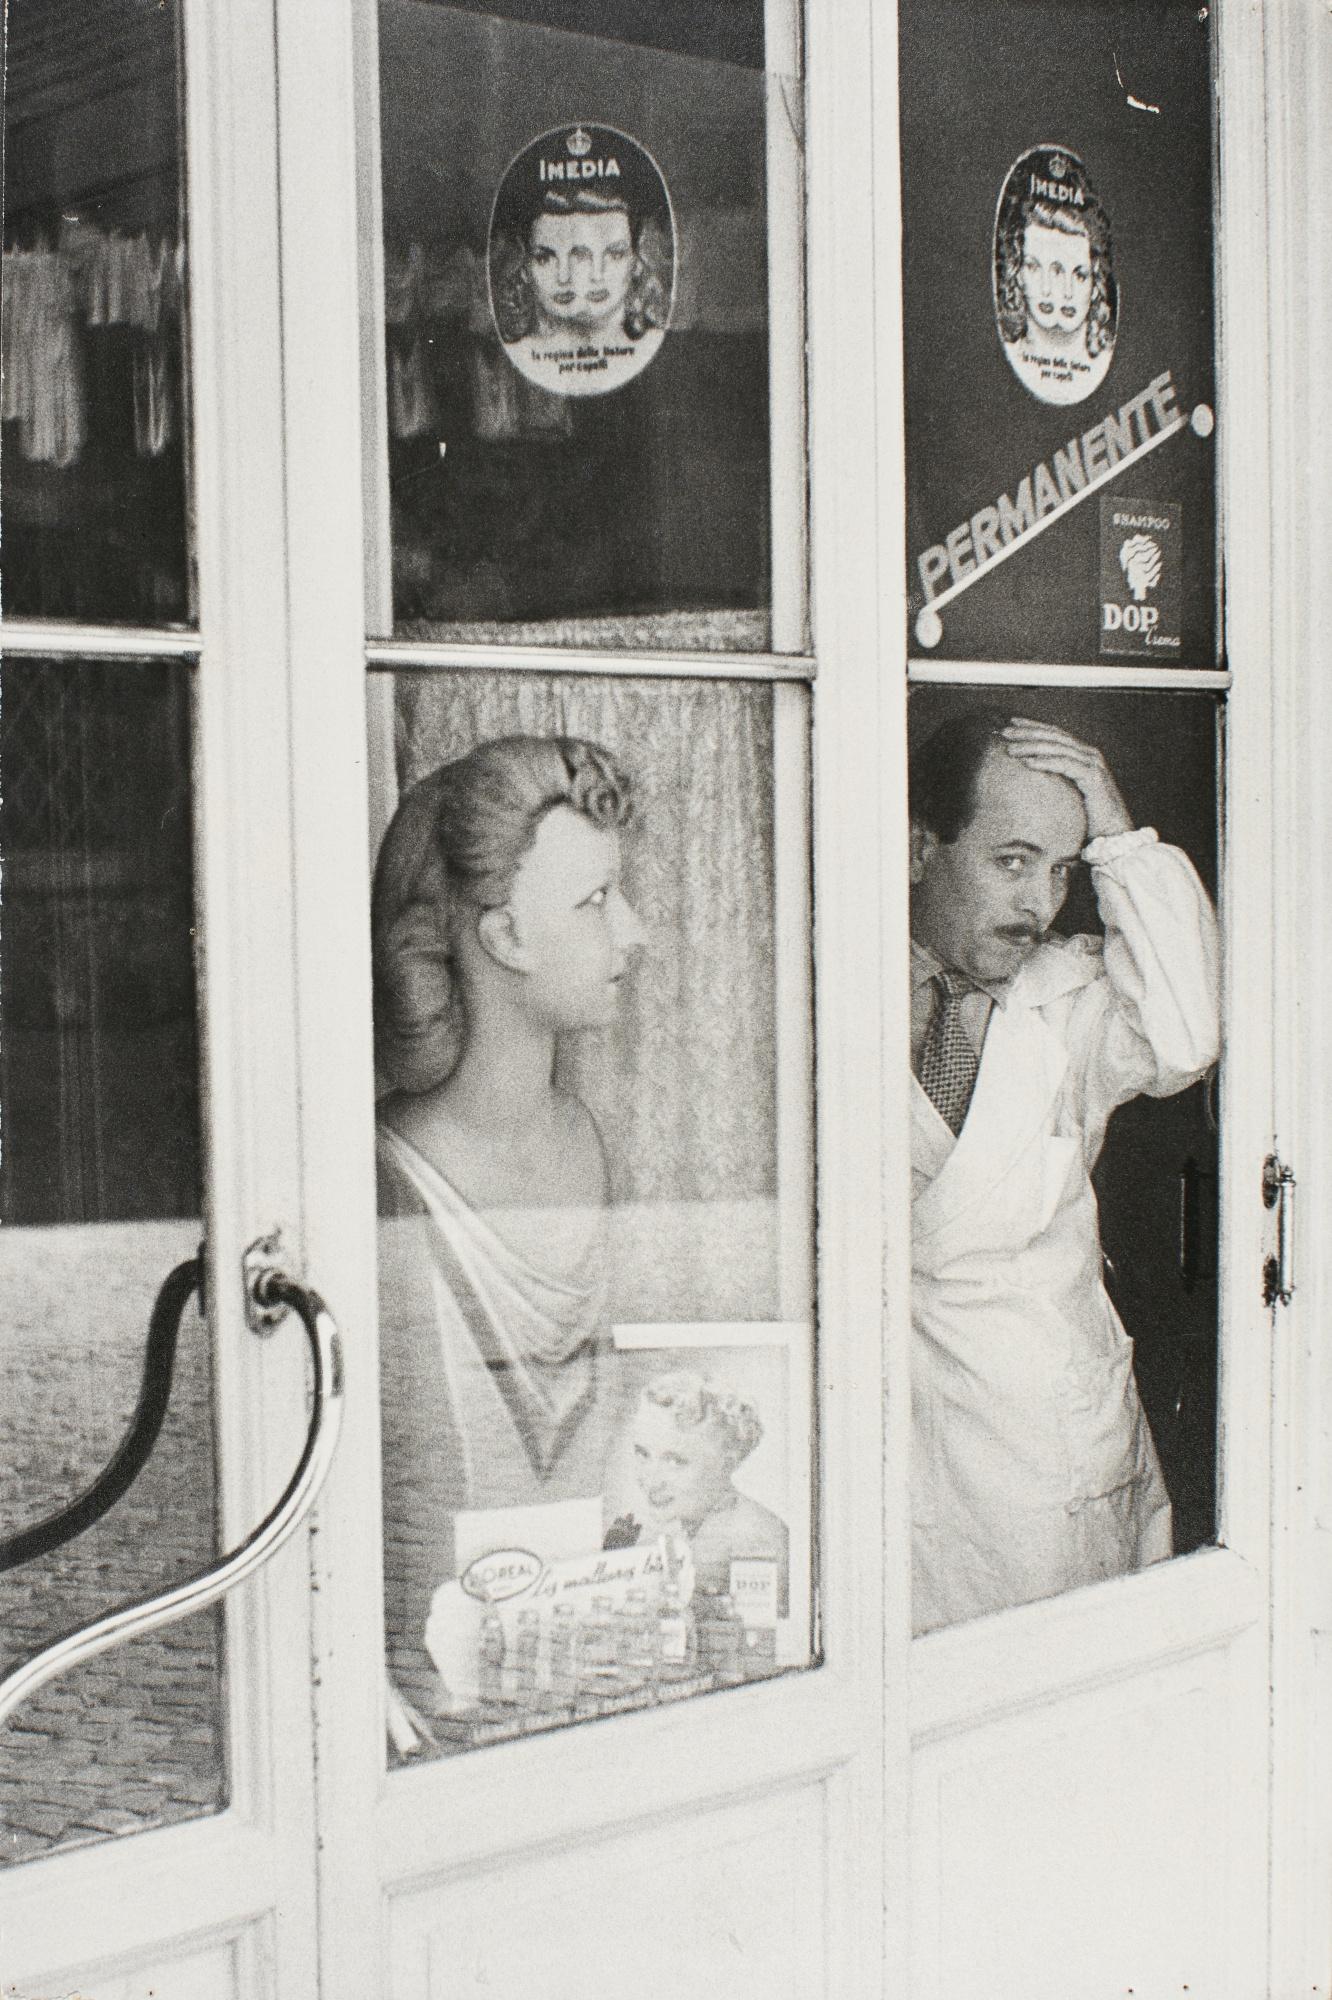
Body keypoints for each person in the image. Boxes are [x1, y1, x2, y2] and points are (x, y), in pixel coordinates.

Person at [908, 709, 1219, 1634]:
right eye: (1010, 860)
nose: (1039, 901)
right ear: (924, 848)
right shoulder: (834, 990)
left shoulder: (1071, 998)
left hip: (1049, 1438)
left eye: (1062, 870)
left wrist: (1121, 838)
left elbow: (1190, 1032)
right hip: (911, 1436)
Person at [372, 735, 646, 1727]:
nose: (635, 929)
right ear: (505, 938)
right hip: (435, 1691)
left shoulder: (584, 1143)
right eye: (595, 901)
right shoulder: (384, 1185)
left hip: (581, 1668)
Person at [623, 1369, 789, 1606]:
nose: (651, 1479)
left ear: (726, 1464)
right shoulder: (685, 1528)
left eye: (674, 1461)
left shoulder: (757, 1541)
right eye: (643, 1454)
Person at [490, 185, 671, 396]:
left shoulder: (656, 347)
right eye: (545, 258)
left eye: (615, 254)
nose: (565, 277)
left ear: (637, 260)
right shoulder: (513, 355)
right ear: (524, 266)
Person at [995, 184, 1116, 405]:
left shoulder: (1106, 363)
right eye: (1036, 268)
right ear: (1018, 273)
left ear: (1096, 281)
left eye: (1080, 275)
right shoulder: (1004, 356)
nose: (1060, 292)